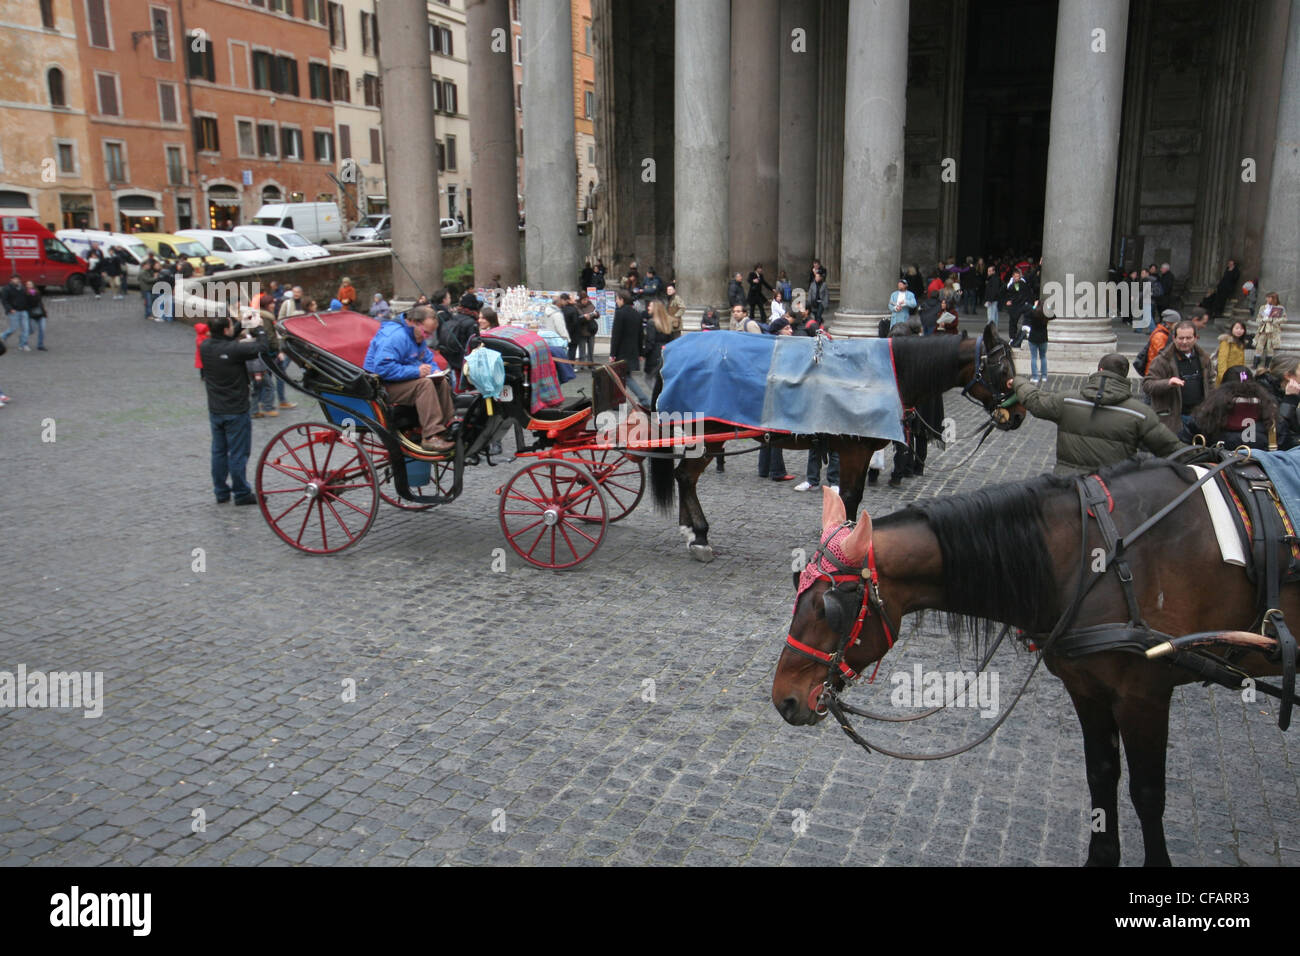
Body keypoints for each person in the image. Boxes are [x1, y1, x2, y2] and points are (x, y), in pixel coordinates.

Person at [1009, 353, 1182, 476]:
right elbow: (1171, 448)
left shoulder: (1068, 400)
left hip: (1067, 486)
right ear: (1124, 375)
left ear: (1099, 369)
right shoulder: (1140, 413)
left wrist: (1018, 382)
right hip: (1113, 488)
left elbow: (1036, 401)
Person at [363, 306, 455, 453]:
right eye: (425, 333)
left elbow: (427, 359)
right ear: (413, 322)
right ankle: (430, 436)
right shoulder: (395, 336)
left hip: (400, 380)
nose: (426, 337)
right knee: (424, 385)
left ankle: (448, 425)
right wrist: (416, 371)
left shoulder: (416, 335)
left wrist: (434, 370)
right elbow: (382, 368)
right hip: (380, 386)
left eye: (430, 335)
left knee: (441, 381)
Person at [199, 312, 269, 505]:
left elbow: (226, 337)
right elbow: (262, 347)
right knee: (238, 453)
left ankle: (221, 492)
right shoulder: (234, 349)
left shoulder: (205, 346)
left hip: (216, 409)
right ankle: (241, 492)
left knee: (219, 452)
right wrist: (260, 327)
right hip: (236, 410)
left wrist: (241, 323)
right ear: (225, 329)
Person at [1142, 319, 1213, 435]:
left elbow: (1210, 382)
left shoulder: (1204, 358)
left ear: (1195, 338)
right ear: (1174, 338)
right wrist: (1168, 383)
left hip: (1198, 416)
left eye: (1188, 338)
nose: (1184, 342)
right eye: (1181, 338)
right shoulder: (1162, 360)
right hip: (1173, 418)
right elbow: (1147, 385)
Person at [1189, 366, 1278, 449]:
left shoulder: (1206, 415)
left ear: (1222, 388)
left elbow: (1186, 445)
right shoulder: (1271, 415)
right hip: (1257, 463)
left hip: (1218, 463)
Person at [609, 288, 650, 405]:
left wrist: (613, 354)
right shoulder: (636, 313)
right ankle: (617, 402)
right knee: (622, 377)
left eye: (617, 299)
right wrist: (641, 353)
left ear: (622, 299)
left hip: (622, 351)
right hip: (633, 351)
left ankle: (643, 399)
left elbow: (616, 335)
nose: (616, 301)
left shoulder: (620, 313)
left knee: (624, 377)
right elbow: (641, 335)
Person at [1256, 355, 1300, 450]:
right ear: (1288, 376)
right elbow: (1278, 433)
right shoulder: (1264, 394)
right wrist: (1290, 400)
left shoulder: (1288, 390)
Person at [1214, 320, 1252, 384]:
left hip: (1237, 374)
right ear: (1232, 329)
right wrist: (1223, 377)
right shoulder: (1226, 342)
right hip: (1228, 374)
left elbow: (1242, 362)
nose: (1239, 330)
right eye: (1237, 328)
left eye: (1241, 329)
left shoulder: (1241, 343)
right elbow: (1222, 360)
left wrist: (1243, 377)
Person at [1255, 292, 1287, 368]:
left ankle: (1267, 365)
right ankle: (1255, 363)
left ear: (1274, 298)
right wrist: (1262, 320)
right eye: (1267, 297)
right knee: (1259, 346)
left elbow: (1284, 318)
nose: (1267, 299)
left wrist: (1275, 321)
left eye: (1269, 297)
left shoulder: (1280, 308)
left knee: (1270, 347)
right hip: (1263, 329)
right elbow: (1258, 318)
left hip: (1273, 329)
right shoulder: (1263, 307)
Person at [1, 275, 28, 350]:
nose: (17, 280)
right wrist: (10, 309)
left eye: (18, 279)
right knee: (13, 328)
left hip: (23, 310)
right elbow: (4, 301)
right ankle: (2, 336)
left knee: (25, 328)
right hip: (14, 311)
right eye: (15, 279)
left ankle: (23, 344)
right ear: (11, 280)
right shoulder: (6, 289)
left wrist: (33, 292)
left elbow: (27, 296)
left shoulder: (22, 287)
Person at [573, 291, 599, 364]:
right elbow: (579, 317)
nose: (586, 301)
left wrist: (596, 314)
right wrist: (584, 317)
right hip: (582, 330)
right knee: (582, 349)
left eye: (587, 299)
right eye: (584, 300)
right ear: (580, 300)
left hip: (591, 329)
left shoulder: (590, 304)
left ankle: (590, 362)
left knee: (591, 348)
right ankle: (582, 363)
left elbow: (596, 313)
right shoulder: (576, 306)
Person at [23, 281, 46, 351]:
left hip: (40, 313)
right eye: (28, 284)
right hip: (32, 315)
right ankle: (23, 338)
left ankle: (40, 345)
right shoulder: (25, 294)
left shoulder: (37, 292)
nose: (29, 285)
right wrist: (31, 295)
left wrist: (44, 312)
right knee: (32, 330)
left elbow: (39, 302)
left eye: (30, 284)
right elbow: (29, 304)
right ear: (26, 286)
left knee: (42, 329)